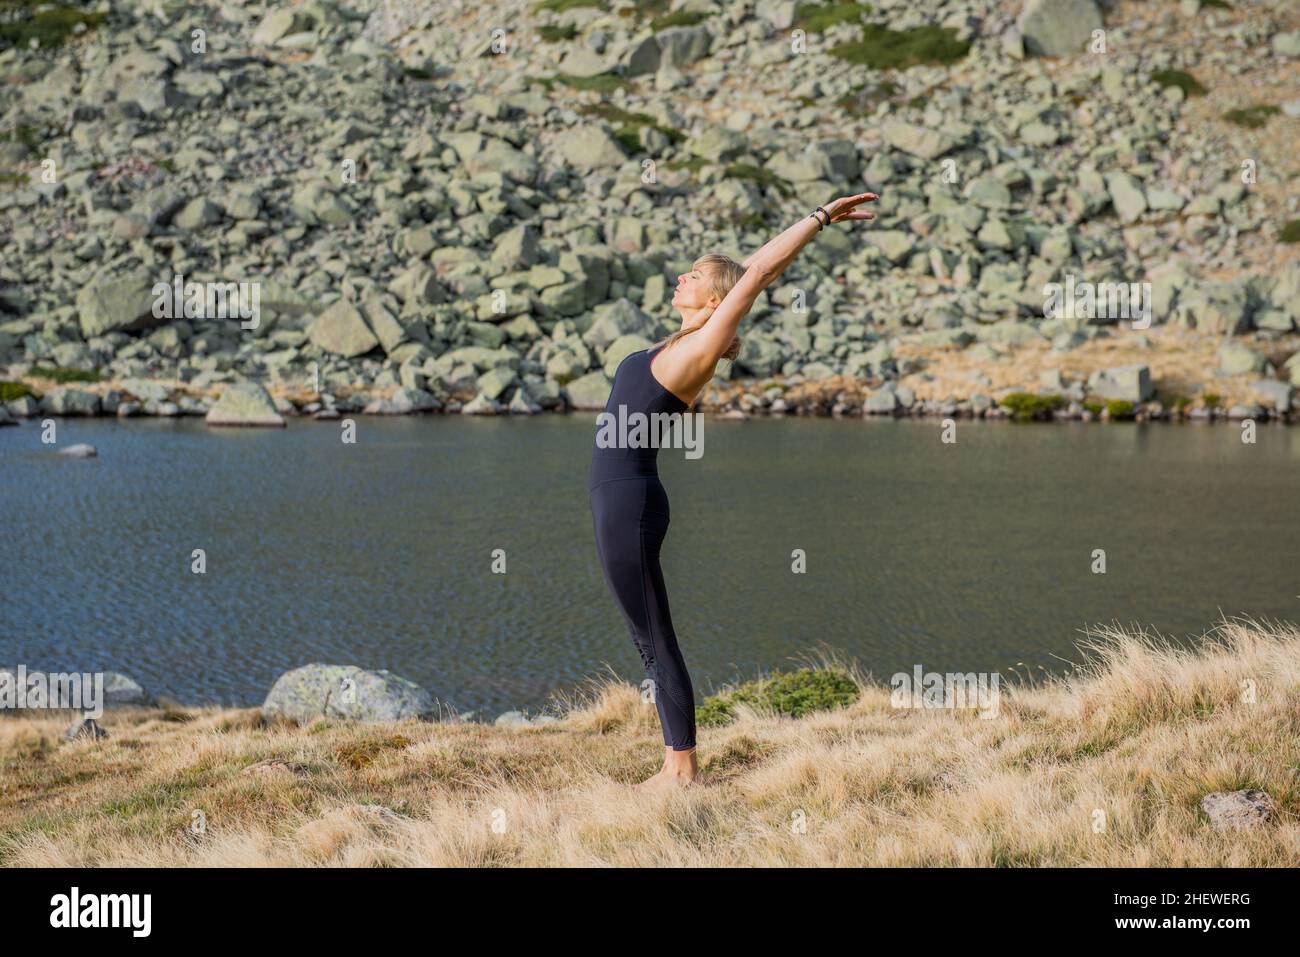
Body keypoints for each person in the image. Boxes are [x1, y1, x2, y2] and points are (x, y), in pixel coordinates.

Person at [588, 193, 879, 789]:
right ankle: (676, 761)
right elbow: (743, 272)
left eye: (693, 275)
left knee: (652, 634)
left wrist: (819, 218)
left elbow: (759, 271)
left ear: (718, 301)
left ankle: (682, 769)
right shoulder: (674, 343)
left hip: (631, 501)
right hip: (618, 500)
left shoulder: (699, 348)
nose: (680, 276)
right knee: (644, 631)